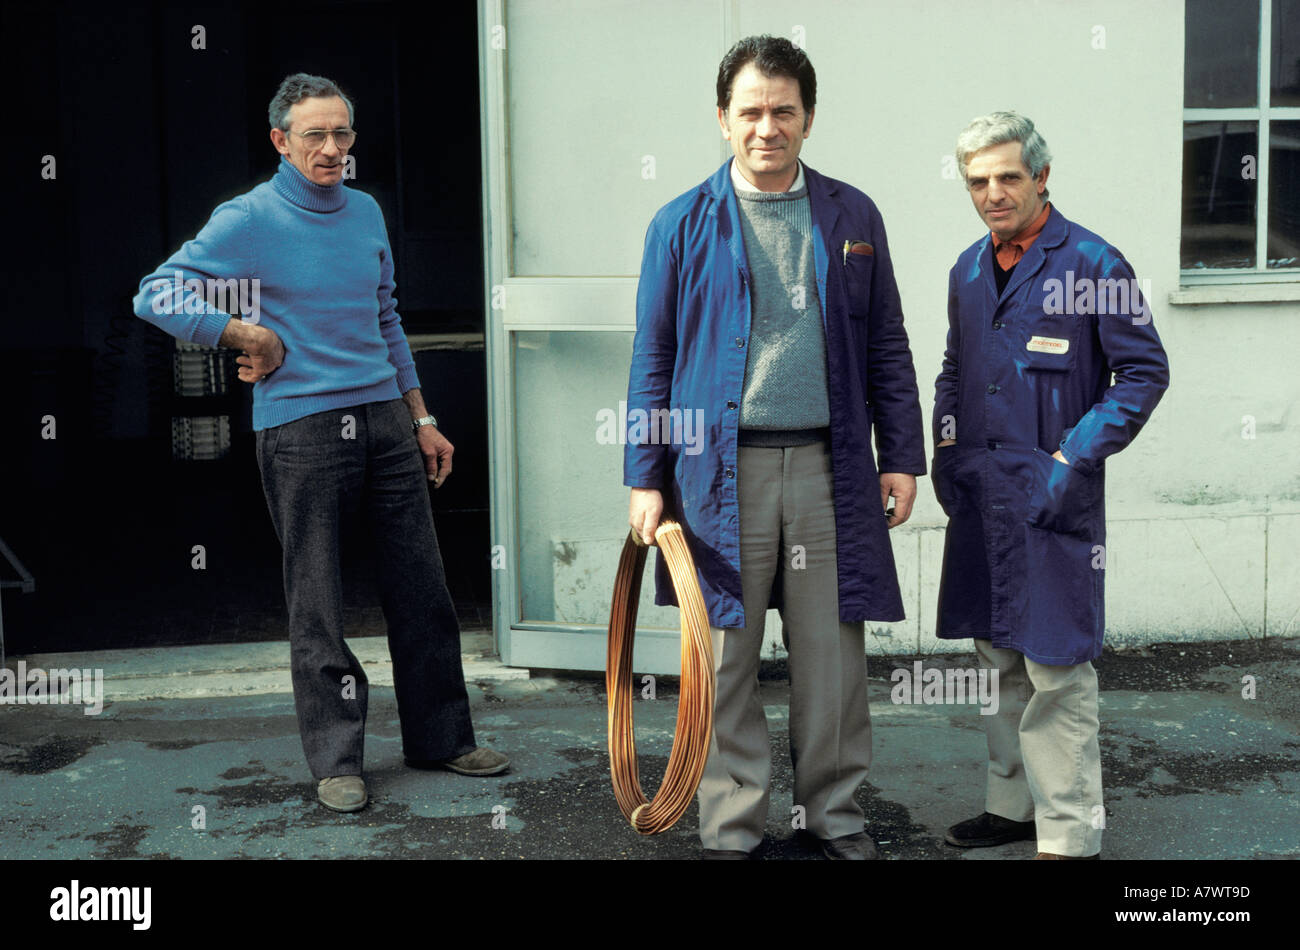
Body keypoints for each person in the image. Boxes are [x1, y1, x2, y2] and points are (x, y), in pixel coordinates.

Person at [133, 73, 507, 814]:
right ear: (281, 141)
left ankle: (442, 738)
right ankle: (338, 758)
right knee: (318, 602)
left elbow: (387, 318)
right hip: (301, 429)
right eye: (316, 136)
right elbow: (156, 292)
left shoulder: (366, 212)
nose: (333, 148)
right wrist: (245, 333)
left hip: (388, 423)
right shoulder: (249, 217)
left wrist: (422, 416)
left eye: (343, 134)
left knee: (423, 590)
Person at [625, 36, 926, 860]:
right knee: (725, 654)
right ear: (722, 119)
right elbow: (652, 358)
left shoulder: (852, 215)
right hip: (720, 473)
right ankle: (733, 828)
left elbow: (887, 345)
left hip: (831, 470)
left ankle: (834, 820)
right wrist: (644, 477)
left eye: (783, 112)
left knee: (831, 658)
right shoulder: (680, 223)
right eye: (750, 112)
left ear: (809, 118)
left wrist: (899, 455)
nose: (768, 128)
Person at [932, 111, 1169, 858]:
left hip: (1052, 498)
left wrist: (1072, 459)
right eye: (978, 181)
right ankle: (1011, 808)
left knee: (1056, 669)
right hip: (981, 495)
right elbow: (951, 369)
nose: (993, 193)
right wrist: (947, 446)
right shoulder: (968, 270)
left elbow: (1142, 372)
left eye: (1008, 176)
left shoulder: (1096, 265)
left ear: (1042, 176)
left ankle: (1067, 834)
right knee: (997, 657)